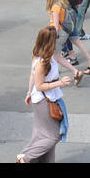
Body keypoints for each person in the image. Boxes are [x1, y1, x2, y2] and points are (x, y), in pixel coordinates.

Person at [18, 26, 74, 163]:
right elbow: (39, 85)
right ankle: (26, 156)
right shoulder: (43, 62)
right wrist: (60, 83)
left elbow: (32, 77)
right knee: (53, 136)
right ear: (50, 41)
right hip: (45, 100)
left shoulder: (43, 56)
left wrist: (28, 92)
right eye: (56, 39)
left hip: (44, 98)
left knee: (41, 134)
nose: (57, 41)